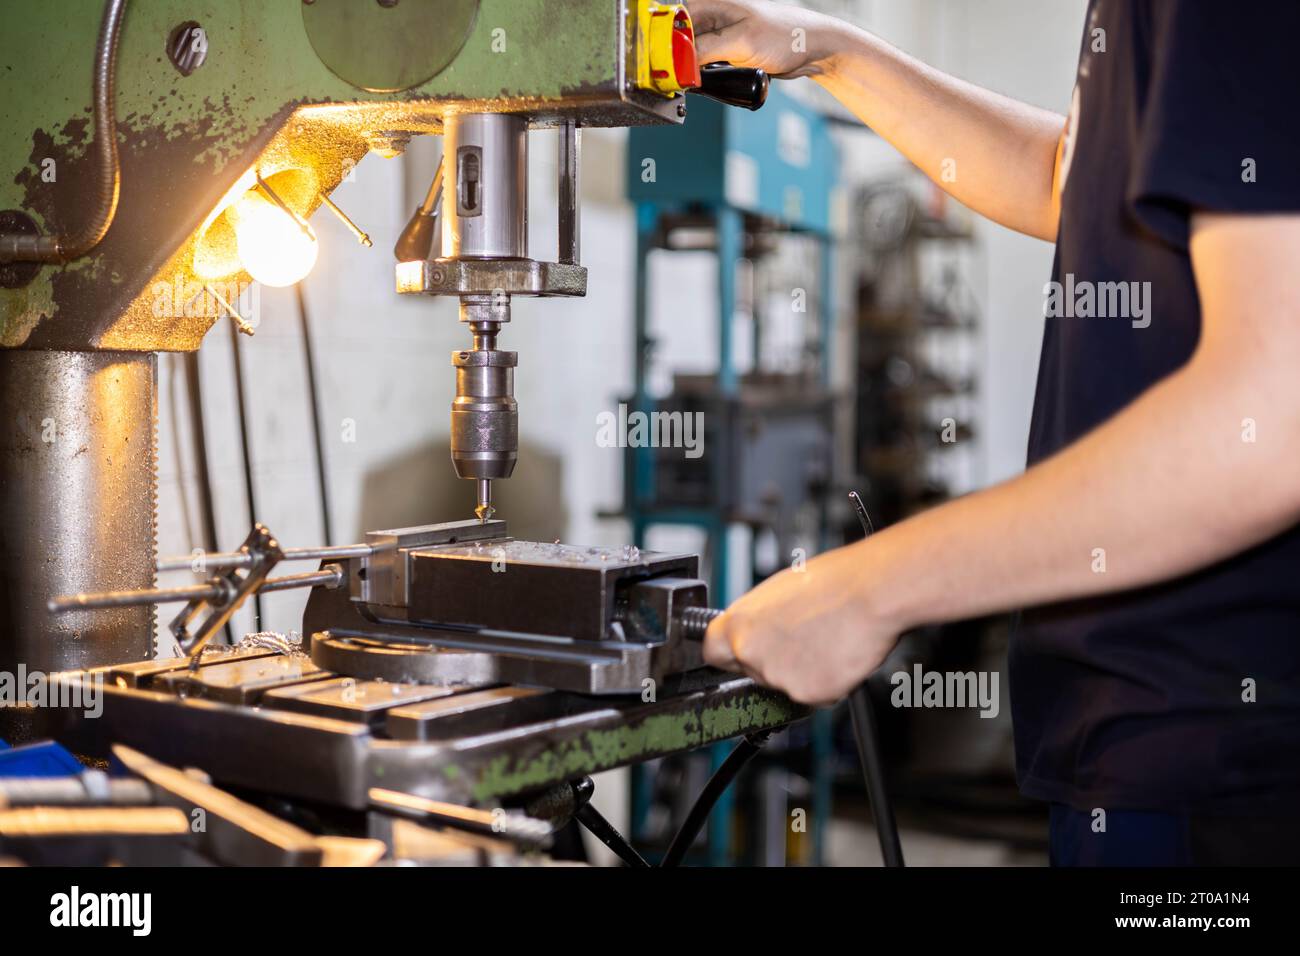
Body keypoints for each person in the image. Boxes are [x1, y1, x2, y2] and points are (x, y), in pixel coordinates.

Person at [692, 0, 1300, 865]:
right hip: (1136, 741)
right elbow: (1071, 178)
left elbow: (1274, 418)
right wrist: (830, 51)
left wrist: (868, 589)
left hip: (1222, 768)